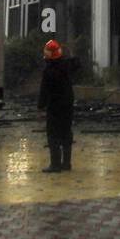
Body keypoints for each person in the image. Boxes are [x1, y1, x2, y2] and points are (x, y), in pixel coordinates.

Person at [38, 39, 80, 173]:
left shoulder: (48, 71)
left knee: (53, 135)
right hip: (67, 105)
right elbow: (77, 63)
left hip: (54, 107)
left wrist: (40, 106)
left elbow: (44, 91)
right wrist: (72, 53)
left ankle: (55, 165)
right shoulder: (66, 65)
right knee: (66, 132)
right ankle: (66, 163)